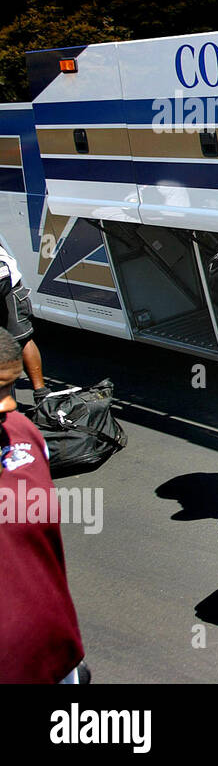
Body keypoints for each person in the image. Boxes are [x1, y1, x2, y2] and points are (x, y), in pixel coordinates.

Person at [0, 328, 88, 683]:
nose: (8, 404)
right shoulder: (18, 428)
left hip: (45, 652)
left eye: (10, 387)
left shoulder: (21, 431)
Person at [0, 241, 48, 408]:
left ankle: (40, 395)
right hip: (6, 282)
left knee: (21, 339)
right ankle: (39, 397)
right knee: (18, 340)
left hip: (6, 286)